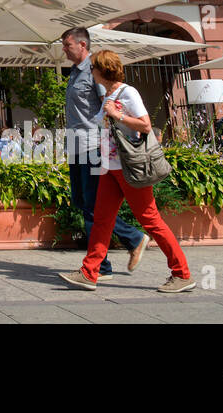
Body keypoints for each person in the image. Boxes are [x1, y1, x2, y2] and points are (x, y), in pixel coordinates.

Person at [59, 50, 194, 294]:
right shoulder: (108, 94)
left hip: (130, 169)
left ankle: (182, 274)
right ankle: (89, 273)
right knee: (101, 220)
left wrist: (117, 114)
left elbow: (145, 125)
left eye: (94, 68)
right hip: (109, 167)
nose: (91, 72)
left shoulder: (128, 92)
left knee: (151, 221)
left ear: (102, 70)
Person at [60, 27, 147, 281]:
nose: (64, 49)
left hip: (93, 146)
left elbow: (110, 103)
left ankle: (101, 265)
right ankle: (130, 240)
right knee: (81, 201)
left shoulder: (92, 71)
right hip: (76, 145)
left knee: (92, 206)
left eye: (67, 45)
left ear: (82, 45)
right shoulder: (75, 73)